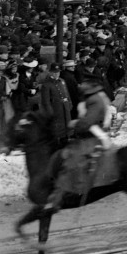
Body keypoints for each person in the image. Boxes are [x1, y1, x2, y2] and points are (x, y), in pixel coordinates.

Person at [44, 73, 113, 213]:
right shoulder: (96, 96)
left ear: (92, 84)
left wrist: (74, 124)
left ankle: (64, 195)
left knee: (71, 161)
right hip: (94, 134)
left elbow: (88, 122)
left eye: (85, 82)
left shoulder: (94, 99)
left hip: (91, 136)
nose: (81, 85)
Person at [37, 62, 73, 149]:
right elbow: (46, 101)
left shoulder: (62, 81)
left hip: (65, 108)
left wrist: (69, 104)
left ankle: (65, 142)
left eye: (58, 72)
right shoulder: (47, 84)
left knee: (66, 128)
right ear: (50, 72)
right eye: (54, 72)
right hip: (56, 110)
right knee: (58, 131)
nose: (56, 74)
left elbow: (67, 94)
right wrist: (50, 113)